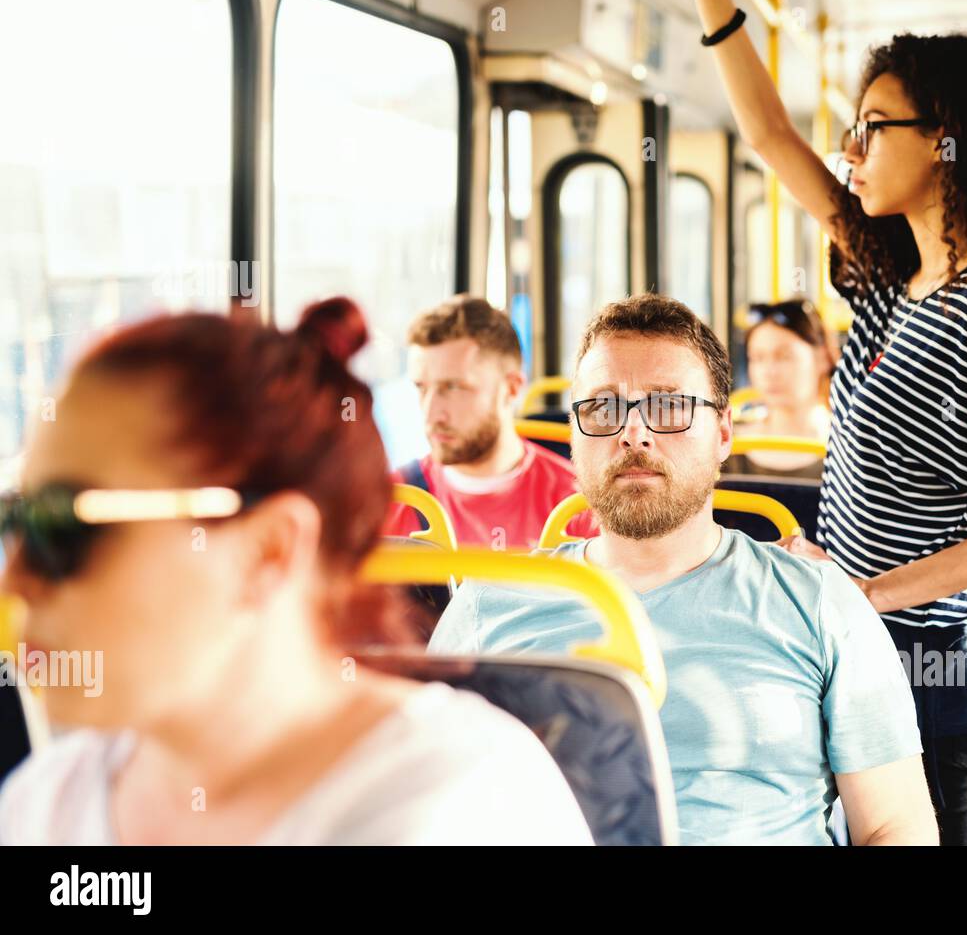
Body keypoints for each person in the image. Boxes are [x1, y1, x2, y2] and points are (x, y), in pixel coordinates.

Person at [690, 0, 967, 844]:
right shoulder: (895, 278)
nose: (852, 149)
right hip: (869, 642)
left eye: (874, 127)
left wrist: (862, 594)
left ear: (946, 141)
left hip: (931, 669)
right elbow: (768, 134)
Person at [0, 298, 592, 845]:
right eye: (14, 522)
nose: (14, 584)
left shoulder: (461, 803)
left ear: (270, 551)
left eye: (64, 529)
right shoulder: (47, 801)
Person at [430, 294, 937, 846]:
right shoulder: (490, 606)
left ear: (723, 434)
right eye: (602, 408)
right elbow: (427, 806)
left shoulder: (818, 605)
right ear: (574, 437)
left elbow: (894, 825)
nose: (634, 434)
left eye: (669, 406)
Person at [386, 296, 596, 549]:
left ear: (511, 388)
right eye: (421, 387)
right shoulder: (391, 501)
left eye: (453, 387)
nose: (431, 413)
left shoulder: (578, 506)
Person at [723, 298, 835, 479]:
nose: (769, 372)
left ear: (822, 358)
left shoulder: (850, 444)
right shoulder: (727, 444)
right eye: (758, 358)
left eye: (784, 356)